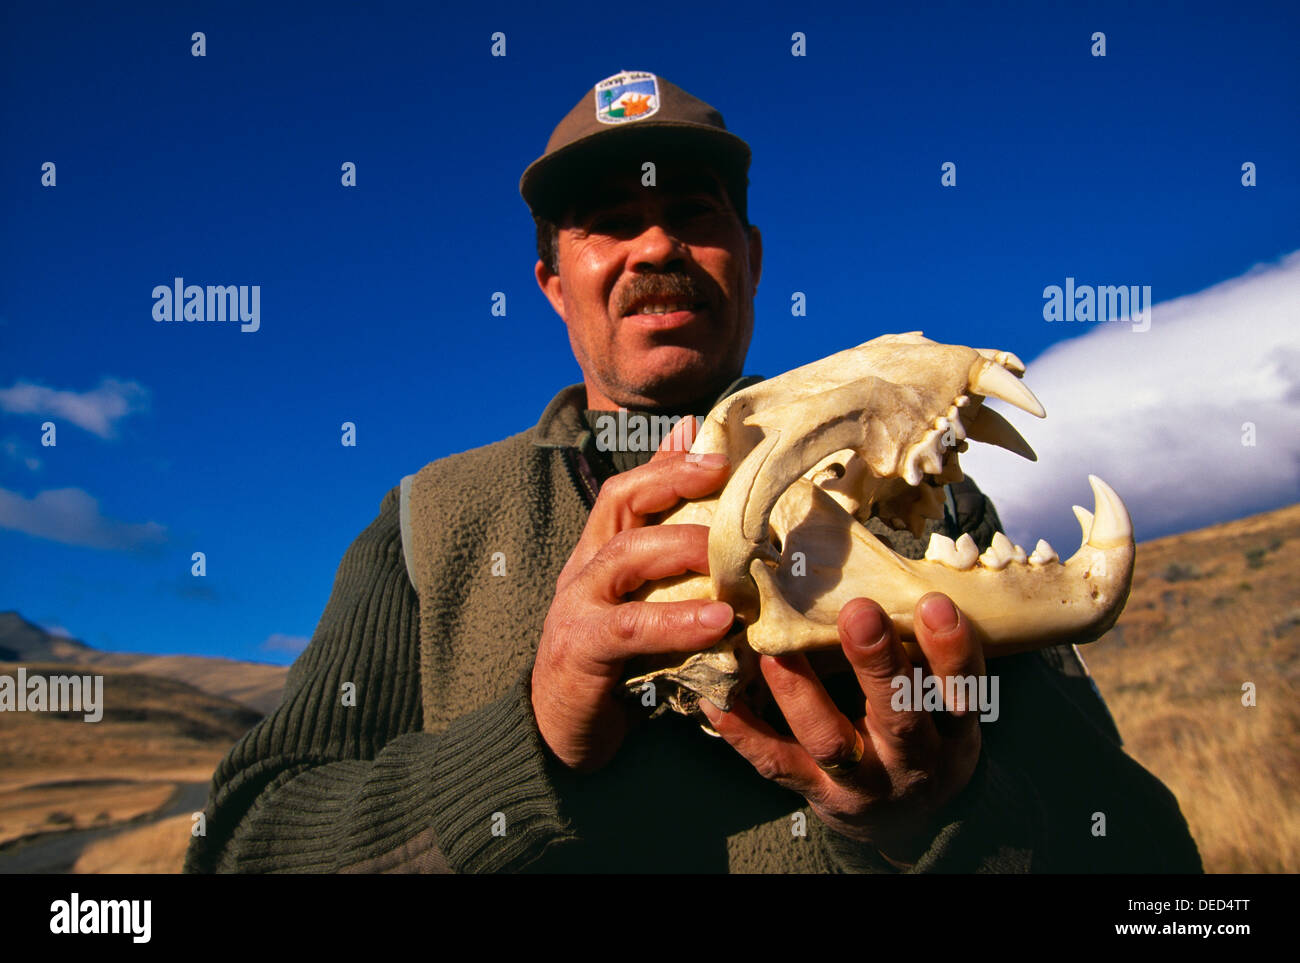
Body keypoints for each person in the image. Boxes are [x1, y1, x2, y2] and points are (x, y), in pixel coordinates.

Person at [185, 70, 1201, 873]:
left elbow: (1147, 862)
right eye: (610, 222)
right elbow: (240, 849)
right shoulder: (427, 524)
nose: (657, 242)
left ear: (750, 257)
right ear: (552, 283)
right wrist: (528, 749)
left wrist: (942, 827)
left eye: (693, 213)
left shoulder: (922, 504)